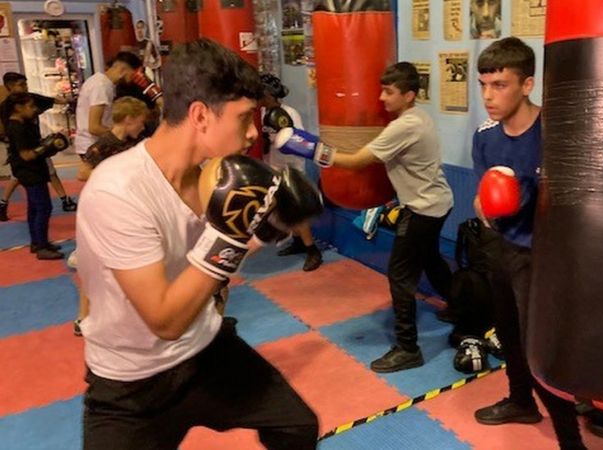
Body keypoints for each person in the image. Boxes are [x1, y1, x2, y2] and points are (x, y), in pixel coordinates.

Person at [76, 39, 319, 449]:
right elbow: (166, 320)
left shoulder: (213, 177)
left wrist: (266, 229)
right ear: (201, 115)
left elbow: (208, 274)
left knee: (296, 426)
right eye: (243, 117)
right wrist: (229, 234)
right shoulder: (117, 190)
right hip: (131, 384)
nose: (253, 131)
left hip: (206, 350)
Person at [276, 62, 454, 373]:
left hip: (422, 209)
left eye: (389, 92)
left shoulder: (405, 126)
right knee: (431, 260)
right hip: (438, 203)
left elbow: (357, 161)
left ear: (409, 95)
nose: (382, 98)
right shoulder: (417, 117)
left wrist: (311, 149)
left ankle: (408, 348)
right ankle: (462, 310)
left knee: (400, 277)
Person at [471, 37, 586, 449]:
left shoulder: (554, 131)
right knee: (508, 332)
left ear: (527, 84)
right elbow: (482, 197)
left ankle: (572, 441)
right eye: (483, 84)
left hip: (543, 255)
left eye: (499, 84)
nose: (488, 95)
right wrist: (486, 205)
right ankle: (520, 401)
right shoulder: (485, 136)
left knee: (541, 346)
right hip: (500, 246)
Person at [70, 95, 149, 336]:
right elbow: (83, 174)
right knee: (94, 266)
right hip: (104, 211)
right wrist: (112, 178)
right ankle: (83, 317)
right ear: (128, 120)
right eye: (140, 122)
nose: (143, 127)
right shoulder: (103, 145)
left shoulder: (135, 145)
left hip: (129, 210)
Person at [259, 73, 322, 271]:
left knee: (296, 209)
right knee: (285, 208)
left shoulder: (289, 113)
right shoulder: (263, 112)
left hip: (292, 167)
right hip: (275, 164)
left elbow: (299, 141)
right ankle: (297, 242)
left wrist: (284, 139)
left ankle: (313, 250)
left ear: (270, 94)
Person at [0, 72, 77, 221]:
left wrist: (72, 99)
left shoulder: (30, 98)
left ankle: (3, 203)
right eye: (21, 85)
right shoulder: (10, 115)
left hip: (31, 144)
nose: (33, 109)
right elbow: (8, 133)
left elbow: (54, 100)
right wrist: (45, 148)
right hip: (23, 149)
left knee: (29, 178)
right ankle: (64, 201)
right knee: (38, 195)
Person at [3, 93, 66, 259]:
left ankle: (38, 242)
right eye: (30, 106)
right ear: (19, 107)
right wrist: (46, 147)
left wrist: (47, 145)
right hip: (29, 172)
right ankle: (41, 246)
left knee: (34, 208)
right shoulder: (17, 127)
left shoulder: (22, 123)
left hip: (32, 170)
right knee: (43, 207)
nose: (34, 110)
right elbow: (26, 155)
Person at [73, 51, 141, 160]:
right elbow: (94, 127)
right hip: (93, 146)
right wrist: (120, 135)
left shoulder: (104, 84)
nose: (131, 80)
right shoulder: (101, 87)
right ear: (122, 70)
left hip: (94, 145)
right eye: (131, 75)